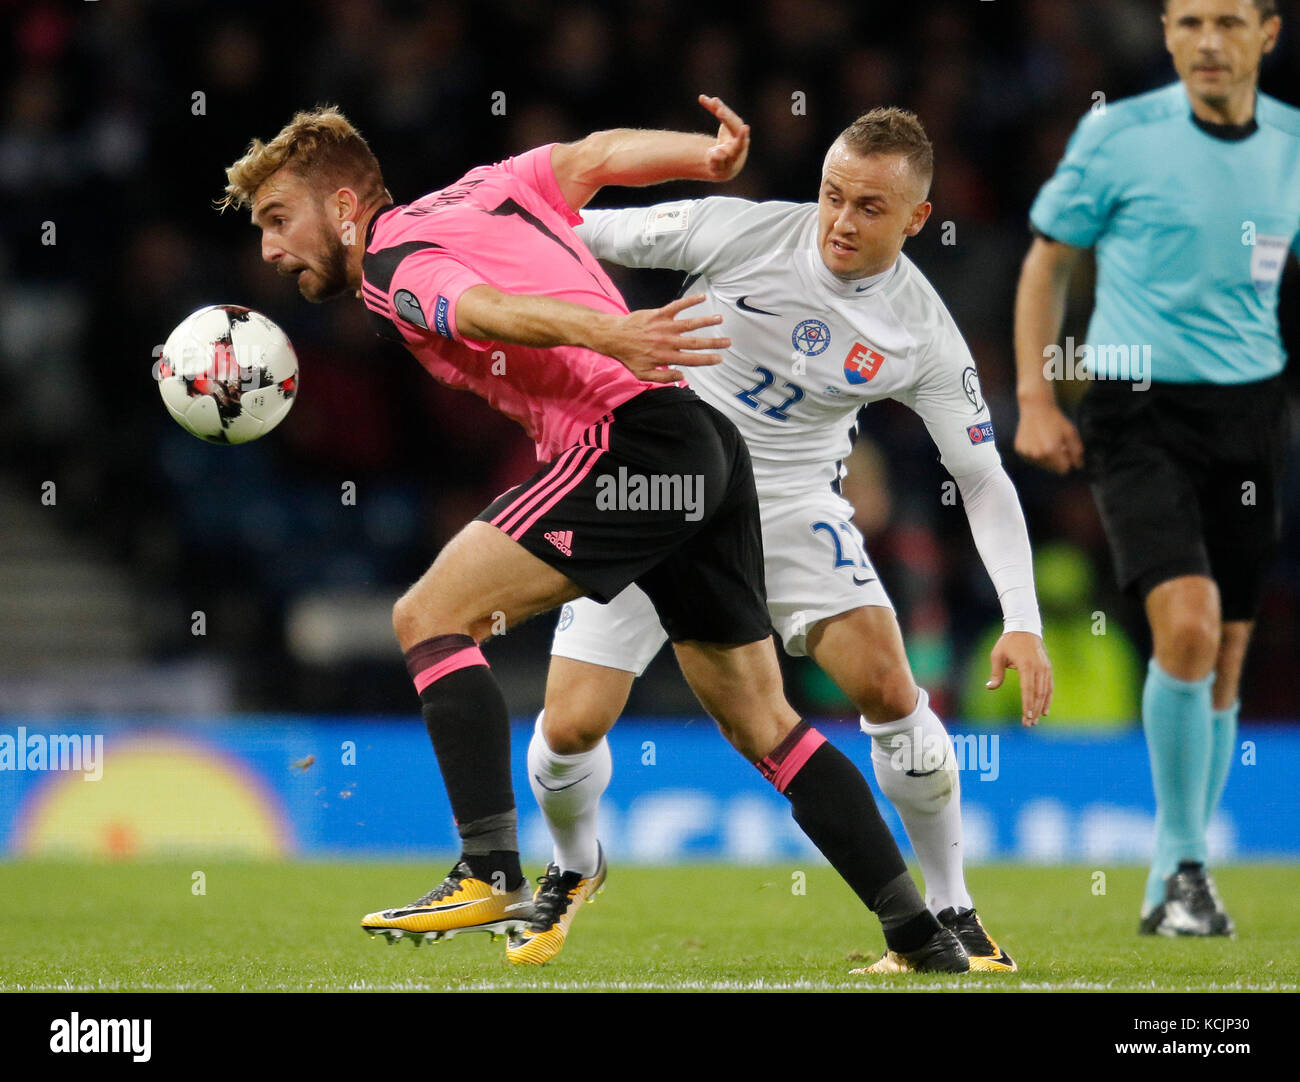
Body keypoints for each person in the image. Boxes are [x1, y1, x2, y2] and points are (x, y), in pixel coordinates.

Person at [220, 96, 972, 972]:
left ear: (344, 207)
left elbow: (483, 308)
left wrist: (610, 330)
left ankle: (488, 867)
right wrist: (708, 155)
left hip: (629, 442)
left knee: (427, 616)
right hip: (705, 443)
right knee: (765, 722)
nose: (271, 248)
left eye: (280, 218)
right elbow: (597, 153)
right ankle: (920, 936)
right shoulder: (478, 190)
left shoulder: (392, 258)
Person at [511, 107, 1053, 970]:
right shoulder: (739, 231)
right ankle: (575, 867)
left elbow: (983, 477)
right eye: (833, 195)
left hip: (790, 501)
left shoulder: (920, 331)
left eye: (870, 208)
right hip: (660, 485)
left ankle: (953, 910)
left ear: (917, 218)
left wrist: (1021, 617)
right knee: (571, 726)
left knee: (887, 683)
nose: (840, 220)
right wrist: (471, 238)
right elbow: (581, 230)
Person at [1014, 0, 1299, 936]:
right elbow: (1048, 263)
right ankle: (1181, 866)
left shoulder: (1294, 143)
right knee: (1189, 624)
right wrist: (1038, 398)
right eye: (1186, 22)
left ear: (1269, 33)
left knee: (1224, 662)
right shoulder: (1119, 134)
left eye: (1227, 21)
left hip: (1253, 414)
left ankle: (1182, 866)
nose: (1206, 42)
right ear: (1168, 35)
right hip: (1138, 406)